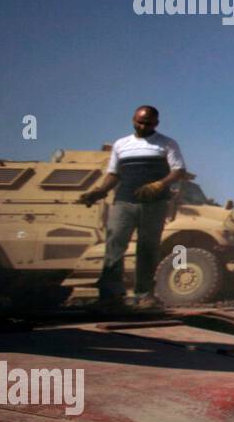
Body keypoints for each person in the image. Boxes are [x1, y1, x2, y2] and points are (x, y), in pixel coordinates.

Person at [77, 105, 187, 308]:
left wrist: (159, 185)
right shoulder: (121, 144)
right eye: (139, 122)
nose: (143, 126)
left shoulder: (167, 143)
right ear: (133, 120)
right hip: (124, 201)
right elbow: (113, 174)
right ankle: (110, 294)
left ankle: (144, 294)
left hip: (154, 204)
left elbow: (179, 170)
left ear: (156, 123)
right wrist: (99, 191)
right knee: (114, 244)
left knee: (147, 248)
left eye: (148, 123)